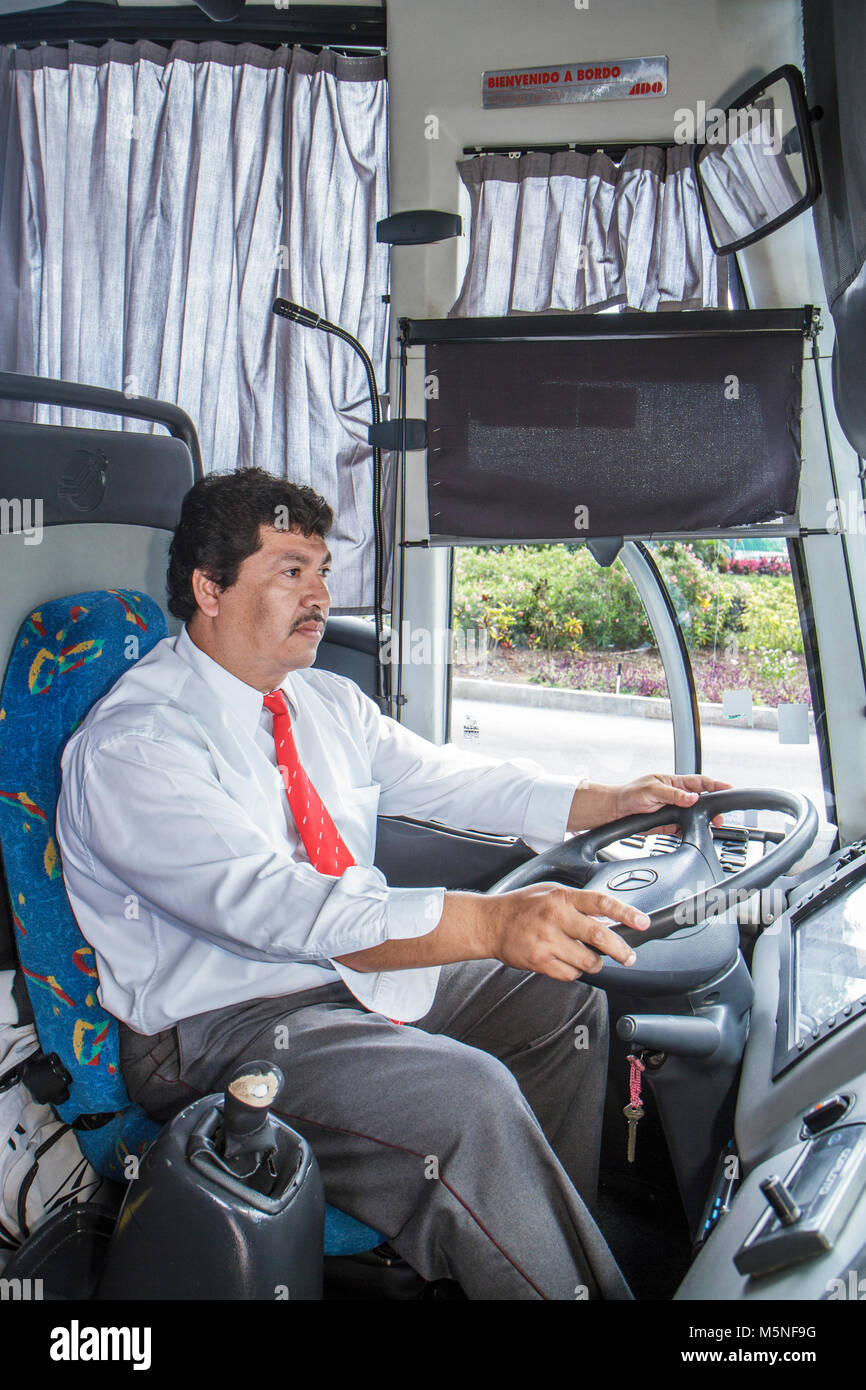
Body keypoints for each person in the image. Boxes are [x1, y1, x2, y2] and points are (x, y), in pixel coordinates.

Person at [56, 467, 729, 1300]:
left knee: (558, 993)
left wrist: (604, 800)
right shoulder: (137, 747)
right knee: (466, 1098)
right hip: (217, 1025)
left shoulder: (321, 702)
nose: (319, 595)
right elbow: (276, 906)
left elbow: (452, 779)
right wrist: (487, 923)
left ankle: (533, 1254)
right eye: (290, 571)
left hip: (340, 975)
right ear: (209, 588)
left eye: (324, 571)